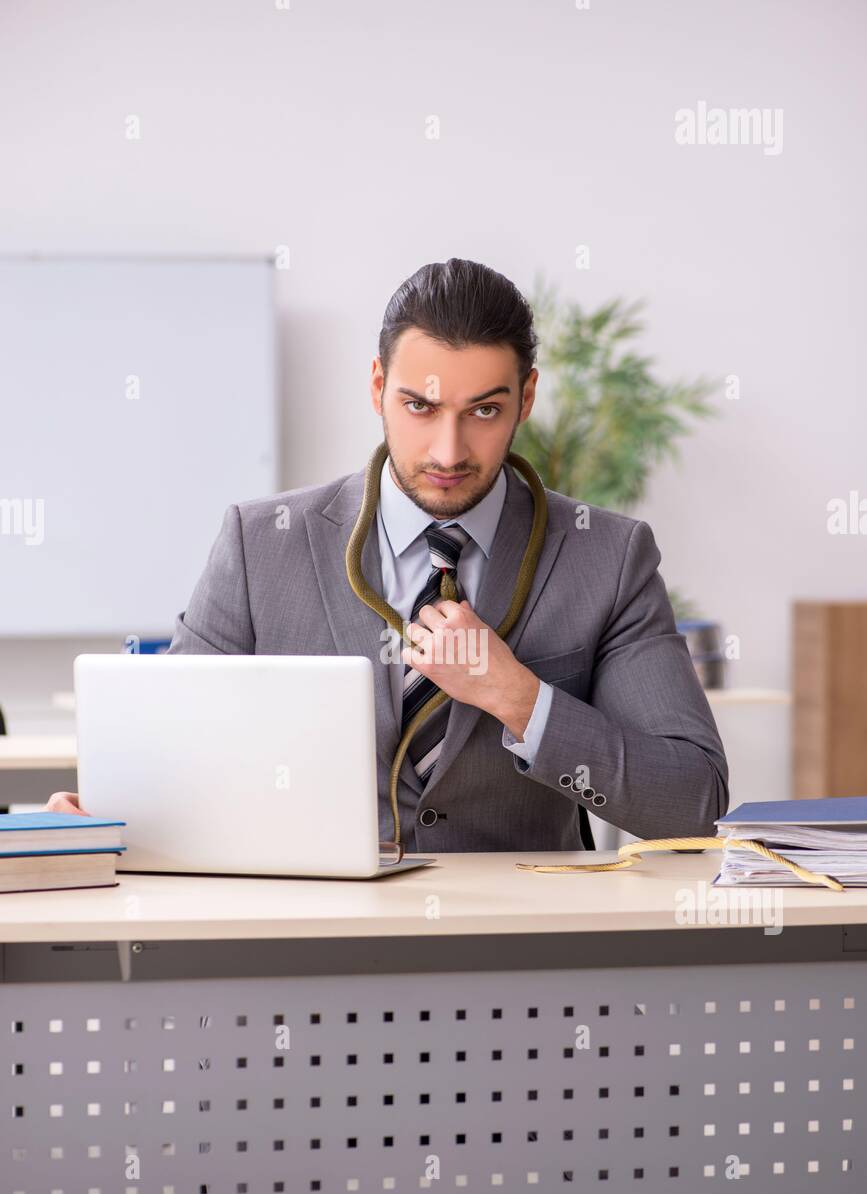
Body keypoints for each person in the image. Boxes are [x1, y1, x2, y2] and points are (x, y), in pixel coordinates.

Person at [47, 257, 728, 853]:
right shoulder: (262, 545)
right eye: (419, 407)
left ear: (525, 398)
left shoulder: (605, 556)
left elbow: (692, 805)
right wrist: (104, 815)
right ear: (377, 388)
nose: (448, 451)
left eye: (483, 412)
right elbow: (172, 753)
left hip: (520, 953)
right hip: (299, 945)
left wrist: (516, 696)